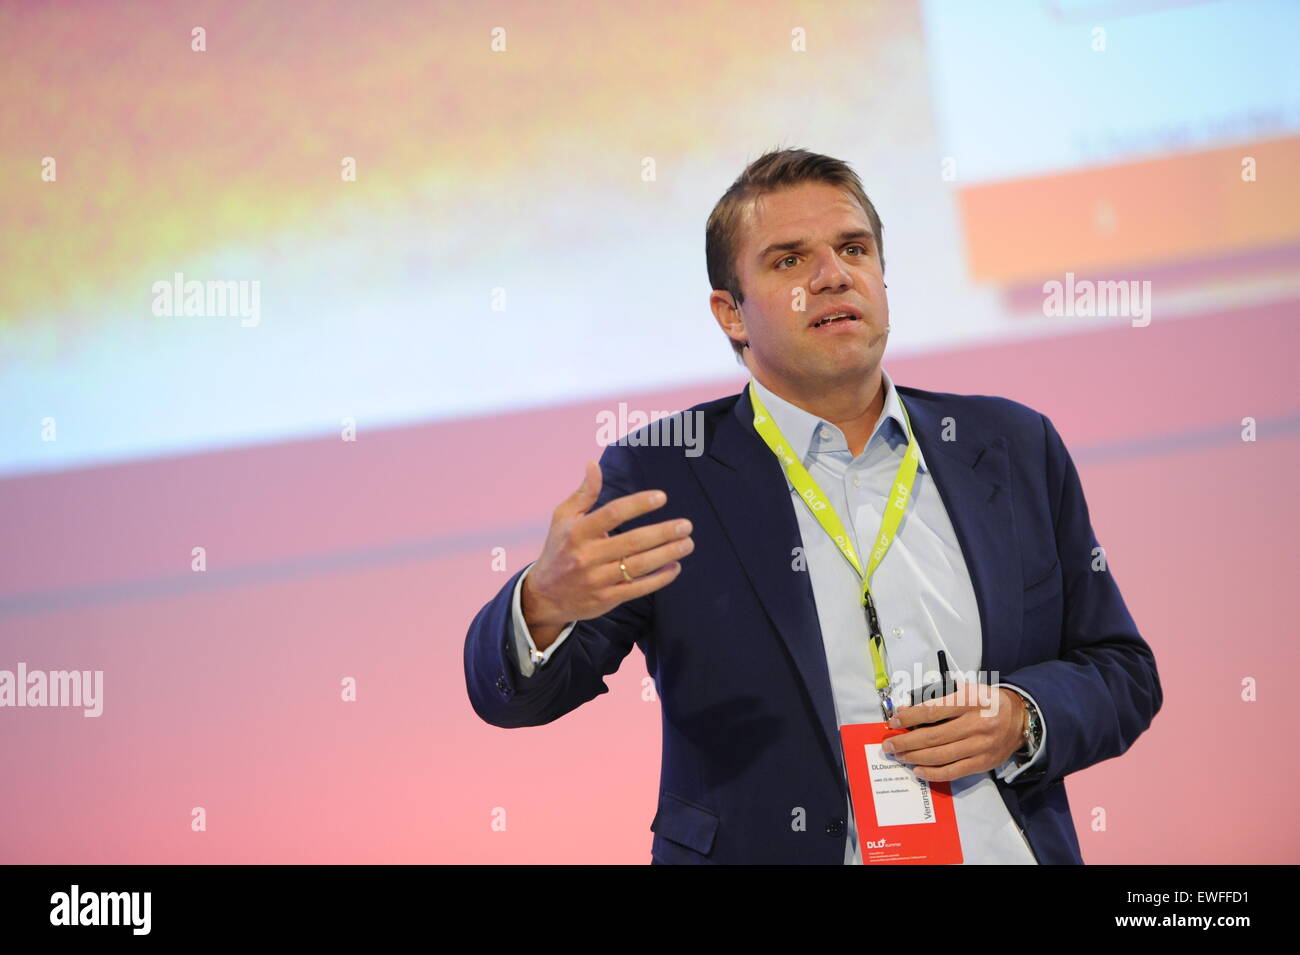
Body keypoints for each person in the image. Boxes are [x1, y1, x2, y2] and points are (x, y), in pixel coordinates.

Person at [463, 148, 1162, 864]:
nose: (832, 274)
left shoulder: (1011, 445)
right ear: (730, 314)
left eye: (853, 248)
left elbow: (1122, 670)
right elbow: (517, 698)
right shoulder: (666, 474)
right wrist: (543, 601)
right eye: (789, 261)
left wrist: (1022, 716)